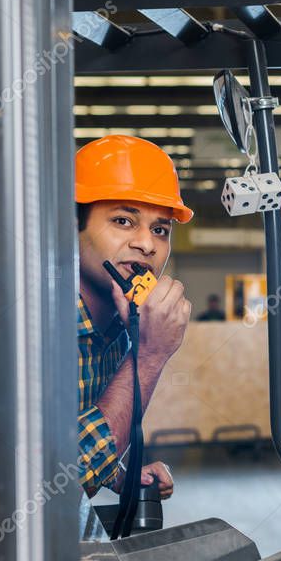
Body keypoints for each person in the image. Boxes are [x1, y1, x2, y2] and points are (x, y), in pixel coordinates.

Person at [74, 135, 194, 501]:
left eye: (160, 229)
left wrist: (119, 474)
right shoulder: (32, 328)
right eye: (124, 220)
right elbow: (54, 486)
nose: (148, 244)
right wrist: (150, 356)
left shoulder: (120, 328)